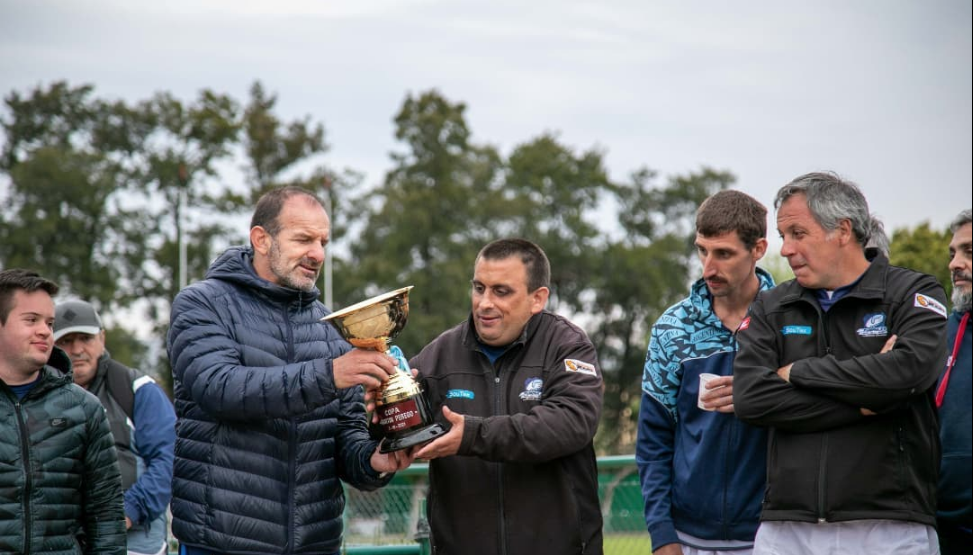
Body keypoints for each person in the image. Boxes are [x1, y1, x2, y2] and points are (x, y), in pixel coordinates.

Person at [166, 186, 415, 555]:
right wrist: (330, 374)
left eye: (323, 242)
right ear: (261, 239)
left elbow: (346, 434)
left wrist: (375, 461)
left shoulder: (331, 327)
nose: (317, 254)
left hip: (316, 544)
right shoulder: (202, 303)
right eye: (303, 239)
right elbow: (222, 390)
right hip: (224, 543)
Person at [733, 172, 947, 554]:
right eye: (784, 237)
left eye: (798, 233)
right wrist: (867, 401)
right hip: (787, 528)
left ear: (843, 231)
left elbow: (908, 373)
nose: (785, 250)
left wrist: (799, 372)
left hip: (889, 525)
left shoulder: (913, 292)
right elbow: (751, 397)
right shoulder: (771, 305)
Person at [408, 238, 604, 555]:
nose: (485, 303)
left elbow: (570, 424)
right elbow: (395, 434)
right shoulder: (439, 355)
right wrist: (381, 416)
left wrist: (472, 435)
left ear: (537, 298)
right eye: (479, 288)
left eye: (502, 291)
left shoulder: (567, 346)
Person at [636, 190, 775, 554]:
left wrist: (765, 388)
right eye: (702, 250)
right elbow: (653, 442)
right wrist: (662, 534)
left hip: (774, 534)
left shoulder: (789, 320)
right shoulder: (672, 328)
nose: (709, 267)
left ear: (758, 249)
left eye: (724, 253)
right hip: (686, 538)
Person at [0, 269, 126, 554]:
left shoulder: (84, 409)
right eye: (31, 320)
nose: (45, 330)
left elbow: (106, 515)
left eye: (49, 322)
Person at [54, 299, 176, 555]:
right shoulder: (40, 397)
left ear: (102, 338)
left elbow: (169, 461)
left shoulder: (138, 390)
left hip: (135, 546)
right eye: (66, 341)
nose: (76, 349)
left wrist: (126, 513)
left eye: (85, 338)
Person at [937, 208, 972, 554]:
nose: (954, 264)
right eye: (953, 253)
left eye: (969, 252)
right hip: (944, 531)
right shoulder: (934, 337)